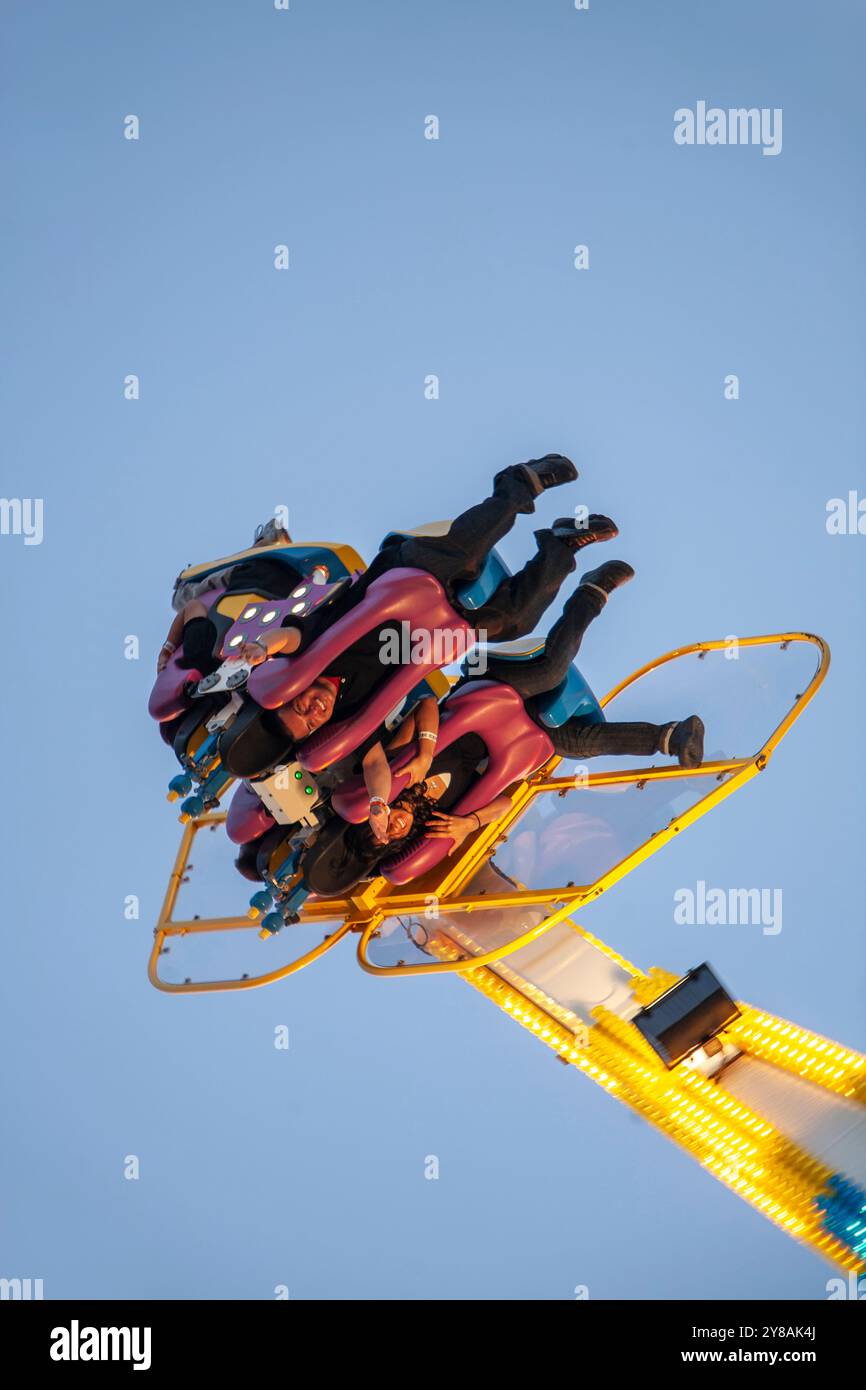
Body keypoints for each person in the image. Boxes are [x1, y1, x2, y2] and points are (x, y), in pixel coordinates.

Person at [300, 557, 705, 891]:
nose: (390, 829)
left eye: (378, 828)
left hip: (484, 681)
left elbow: (425, 704)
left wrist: (424, 753)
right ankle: (671, 737)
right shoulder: (442, 818)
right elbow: (506, 802)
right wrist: (468, 823)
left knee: (548, 671)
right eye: (388, 840)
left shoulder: (396, 767)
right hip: (522, 729)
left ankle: (592, 591)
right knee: (579, 743)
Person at [218, 454, 621, 778]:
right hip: (439, 630)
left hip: (406, 577)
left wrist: (258, 648)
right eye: (309, 725)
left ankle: (521, 481)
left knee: (463, 555)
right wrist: (383, 795)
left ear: (293, 691)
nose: (313, 712)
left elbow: (286, 637)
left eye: (299, 708)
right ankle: (562, 546)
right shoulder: (348, 714)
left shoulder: (303, 655)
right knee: (517, 620)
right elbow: (375, 762)